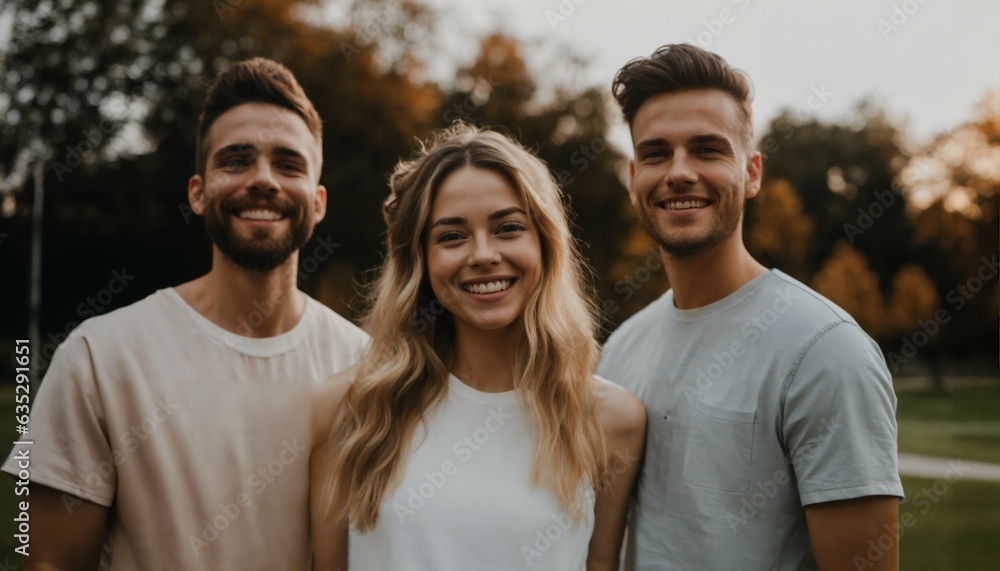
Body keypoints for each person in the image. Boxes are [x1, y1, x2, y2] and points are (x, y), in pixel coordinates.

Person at [3, 57, 368, 569]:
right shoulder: (99, 356)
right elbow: (50, 563)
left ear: (319, 200)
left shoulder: (366, 367)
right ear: (198, 193)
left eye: (288, 164)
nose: (264, 179)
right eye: (236, 160)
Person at [597, 43, 905, 570]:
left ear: (753, 172)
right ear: (633, 180)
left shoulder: (825, 351)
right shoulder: (622, 348)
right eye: (655, 153)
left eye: (707, 149)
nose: (679, 172)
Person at [309, 123, 646, 571]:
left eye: (508, 228)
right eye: (452, 235)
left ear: (545, 245)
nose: (483, 254)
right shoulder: (351, 407)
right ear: (420, 260)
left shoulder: (612, 420)